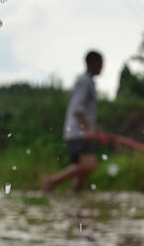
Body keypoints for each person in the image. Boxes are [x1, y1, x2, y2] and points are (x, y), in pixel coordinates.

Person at [41, 50, 103, 192]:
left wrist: (94, 128)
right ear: (92, 63)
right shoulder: (84, 81)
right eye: (100, 63)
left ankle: (75, 197)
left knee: (83, 172)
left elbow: (87, 111)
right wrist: (87, 128)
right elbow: (77, 108)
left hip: (82, 131)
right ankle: (52, 181)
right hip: (78, 132)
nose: (102, 67)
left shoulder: (90, 82)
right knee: (88, 166)